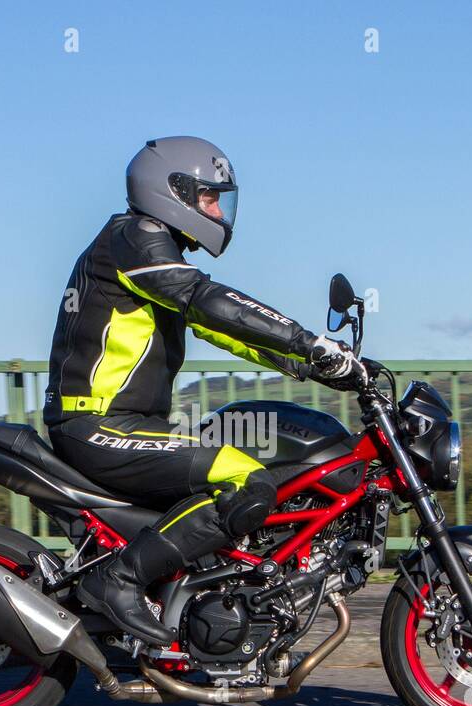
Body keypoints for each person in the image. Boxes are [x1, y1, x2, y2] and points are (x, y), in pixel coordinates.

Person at [43, 136, 360, 645]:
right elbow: (207, 301)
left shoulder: (148, 250)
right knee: (246, 481)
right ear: (173, 191)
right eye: (209, 198)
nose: (218, 211)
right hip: (98, 425)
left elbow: (219, 326)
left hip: (127, 424)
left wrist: (311, 364)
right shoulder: (136, 237)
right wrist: (308, 340)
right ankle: (119, 579)